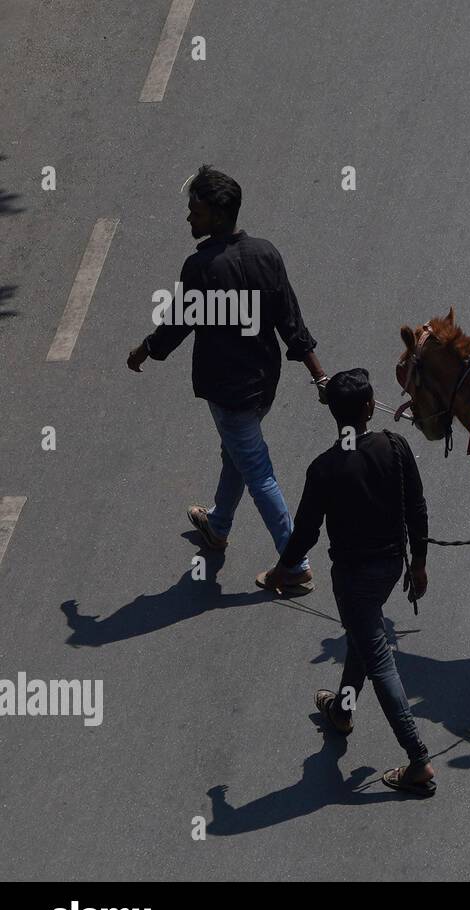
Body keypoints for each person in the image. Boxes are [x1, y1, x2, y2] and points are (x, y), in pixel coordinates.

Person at [127, 164, 327, 593]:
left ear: (217, 216)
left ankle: (295, 564)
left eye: (195, 212)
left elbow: (178, 323)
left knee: (258, 472)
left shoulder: (200, 267)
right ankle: (217, 525)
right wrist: (318, 374)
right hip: (263, 384)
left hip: (228, 391)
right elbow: (291, 321)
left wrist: (145, 349)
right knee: (236, 453)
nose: (188, 219)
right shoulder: (266, 254)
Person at [261, 369, 436, 798]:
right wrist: (419, 566)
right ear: (366, 409)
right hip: (391, 569)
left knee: (378, 659)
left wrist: (282, 570)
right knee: (365, 635)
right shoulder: (396, 446)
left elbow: (304, 533)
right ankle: (342, 709)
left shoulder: (323, 469)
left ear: (335, 415)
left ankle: (419, 760)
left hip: (353, 579)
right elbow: (417, 509)